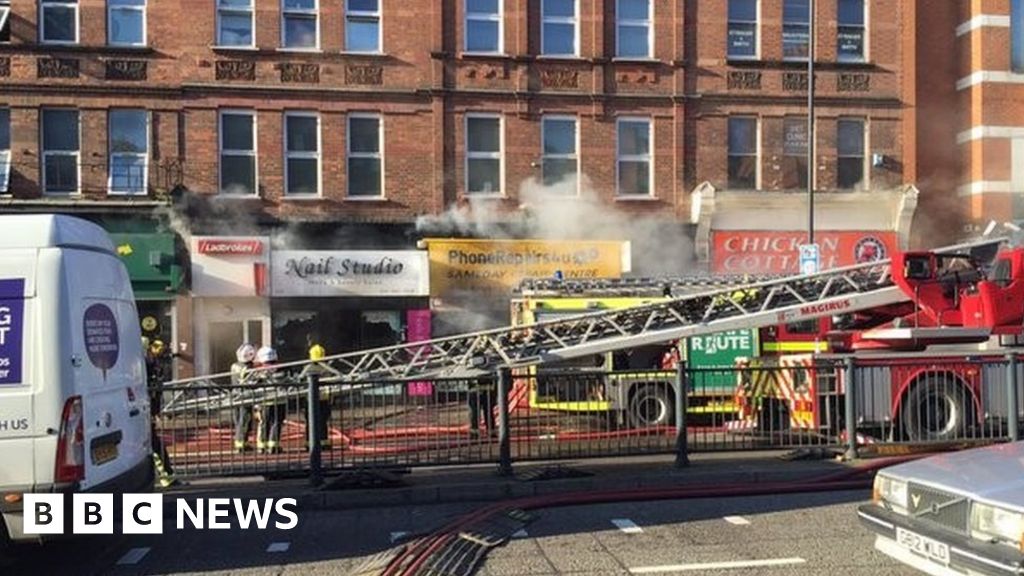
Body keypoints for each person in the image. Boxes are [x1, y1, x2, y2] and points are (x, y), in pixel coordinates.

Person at [250, 346, 286, 454]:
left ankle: (261, 447)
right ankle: (273, 447)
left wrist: (255, 406)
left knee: (263, 423)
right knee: (277, 423)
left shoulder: (258, 371)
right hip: (280, 401)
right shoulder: (283, 369)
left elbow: (253, 387)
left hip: (264, 403)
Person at [299, 334, 332, 451]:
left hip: (310, 399)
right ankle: (324, 442)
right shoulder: (327, 369)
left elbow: (300, 380)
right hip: (324, 399)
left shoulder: (307, 368)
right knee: (323, 422)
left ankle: (309, 443)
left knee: (310, 422)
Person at [231, 343, 256, 453]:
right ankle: (241, 444)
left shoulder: (235, 365)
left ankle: (242, 442)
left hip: (235, 395)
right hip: (245, 397)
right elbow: (252, 382)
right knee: (244, 420)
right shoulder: (248, 368)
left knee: (238, 420)